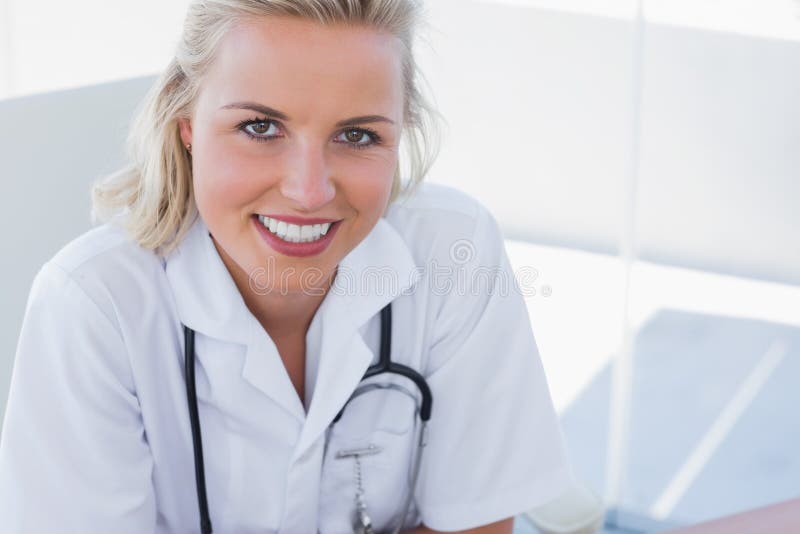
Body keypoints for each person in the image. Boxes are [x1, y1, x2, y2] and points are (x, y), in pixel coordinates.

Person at [0, 1, 572, 532]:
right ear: (188, 125)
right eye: (260, 127)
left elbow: (477, 521)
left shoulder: (456, 250)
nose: (308, 191)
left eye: (357, 135)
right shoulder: (92, 305)